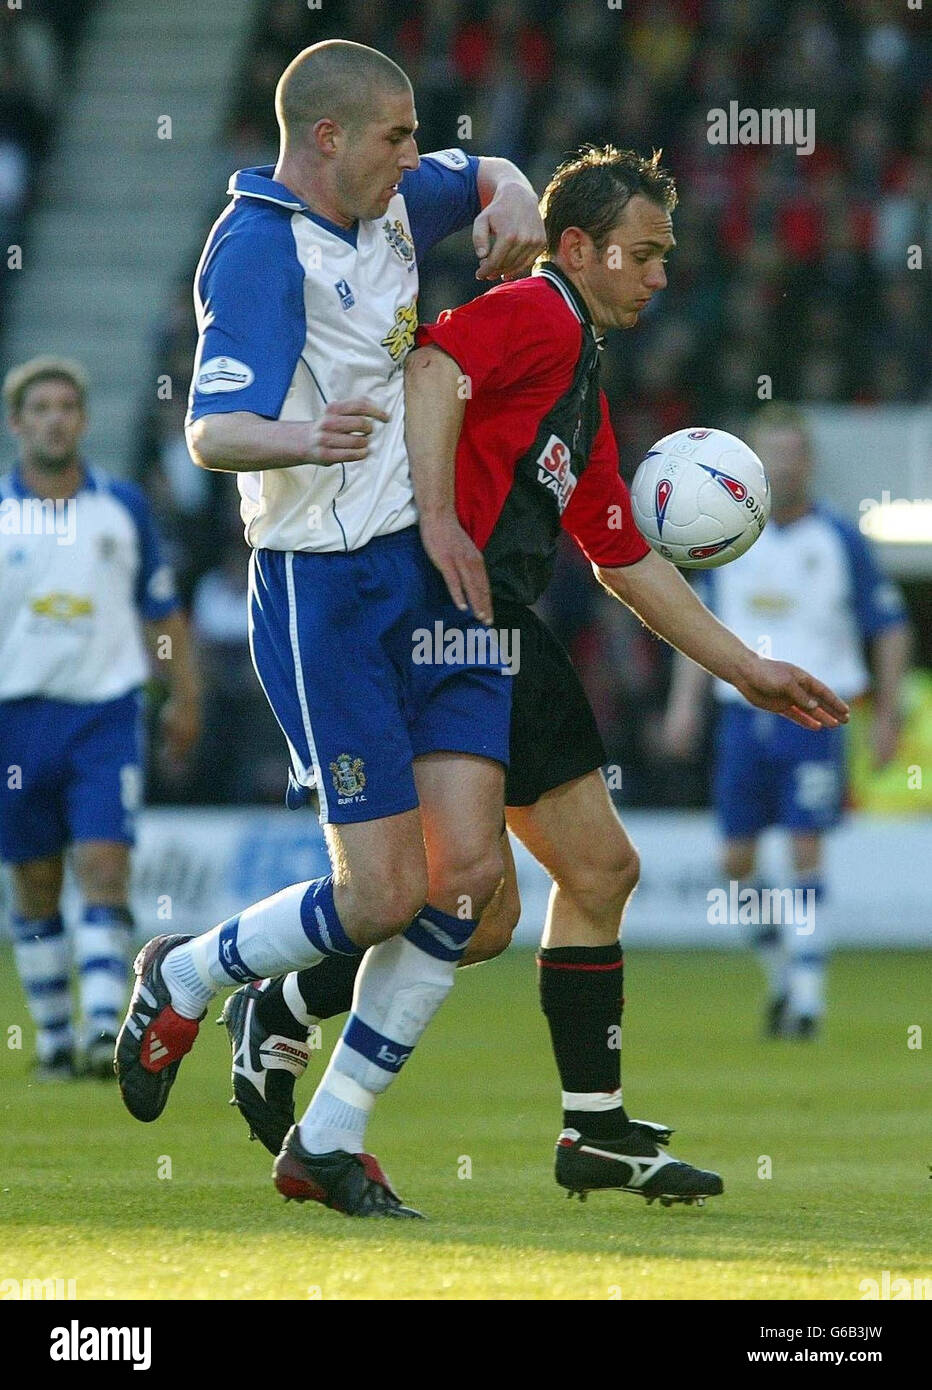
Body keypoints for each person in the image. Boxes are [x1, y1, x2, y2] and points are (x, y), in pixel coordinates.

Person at [218, 148, 849, 1207]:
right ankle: (276, 1003)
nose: (657, 275)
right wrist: (433, 517)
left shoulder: (578, 371)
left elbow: (623, 557)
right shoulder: (536, 314)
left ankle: (590, 1130)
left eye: (664, 258)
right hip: (447, 617)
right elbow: (433, 367)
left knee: (586, 877)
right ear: (574, 248)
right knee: (459, 897)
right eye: (642, 254)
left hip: (506, 628)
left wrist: (747, 668)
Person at [114, 39, 547, 1220]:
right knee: (380, 897)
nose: (418, 158)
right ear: (326, 140)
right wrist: (301, 439)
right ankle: (187, 972)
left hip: (433, 571)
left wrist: (504, 186)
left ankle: (328, 1139)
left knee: (477, 894)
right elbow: (213, 431)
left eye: (417, 137)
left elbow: (491, 168)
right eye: (397, 137)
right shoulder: (258, 248)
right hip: (324, 590)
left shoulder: (396, 194)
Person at [663, 402, 910, 1038]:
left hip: (816, 715)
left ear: (810, 460)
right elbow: (701, 627)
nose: (783, 463)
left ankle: (808, 997)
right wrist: (684, 704)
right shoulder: (727, 536)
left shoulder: (840, 540)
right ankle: (782, 974)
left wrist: (888, 714)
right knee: (735, 863)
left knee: (805, 846)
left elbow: (889, 626)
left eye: (793, 451)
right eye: (771, 452)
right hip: (742, 718)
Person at [0, 357, 199, 1078]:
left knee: (104, 866)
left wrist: (185, 691)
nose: (55, 418)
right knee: (34, 882)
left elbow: (160, 609)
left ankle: (100, 1033)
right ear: (18, 423)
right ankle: (53, 1037)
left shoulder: (121, 508)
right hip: (16, 718)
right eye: (40, 408)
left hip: (104, 717)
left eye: (66, 406)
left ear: (82, 420)